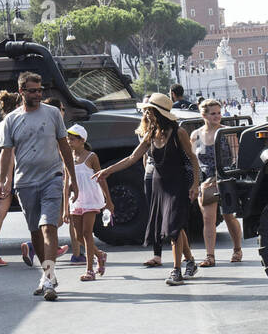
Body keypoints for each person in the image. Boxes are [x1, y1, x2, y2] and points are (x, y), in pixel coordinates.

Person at [95, 93, 200, 286]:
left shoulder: (179, 133)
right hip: (159, 185)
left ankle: (177, 271)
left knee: (173, 228)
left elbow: (192, 158)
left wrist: (195, 185)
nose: (146, 114)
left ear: (158, 113)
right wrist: (107, 171)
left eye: (149, 111)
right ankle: (190, 261)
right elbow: (132, 158)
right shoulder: (150, 133)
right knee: (173, 226)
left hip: (177, 185)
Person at [0, 71, 78, 301]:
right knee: (35, 233)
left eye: (40, 90)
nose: (38, 94)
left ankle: (50, 279)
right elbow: (6, 153)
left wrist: (71, 178)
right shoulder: (11, 120)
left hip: (51, 178)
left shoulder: (53, 114)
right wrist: (3, 181)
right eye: (33, 90)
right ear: (21, 91)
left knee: (48, 228)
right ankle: (46, 273)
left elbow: (64, 147)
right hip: (25, 183)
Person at [191, 98, 243, 265]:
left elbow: (236, 158)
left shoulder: (227, 132)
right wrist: (196, 183)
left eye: (219, 113)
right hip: (205, 182)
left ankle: (237, 249)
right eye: (213, 113)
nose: (217, 116)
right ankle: (210, 256)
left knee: (229, 216)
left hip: (225, 178)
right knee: (208, 218)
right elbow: (193, 162)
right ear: (204, 115)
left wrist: (220, 176)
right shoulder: (195, 135)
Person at [62, 124, 110, 282]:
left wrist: (108, 200)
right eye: (68, 138)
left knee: (87, 233)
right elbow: (66, 183)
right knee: (78, 236)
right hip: (76, 200)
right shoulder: (67, 157)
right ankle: (99, 255)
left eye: (73, 138)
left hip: (90, 199)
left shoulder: (91, 157)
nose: (69, 141)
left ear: (82, 140)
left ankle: (90, 270)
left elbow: (100, 178)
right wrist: (65, 209)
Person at [0, 90, 21, 266]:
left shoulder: (0, 125)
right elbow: (10, 156)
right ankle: (42, 248)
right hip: (10, 176)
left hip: (1, 176)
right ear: (17, 106)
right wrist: (7, 181)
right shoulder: (10, 124)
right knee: (31, 212)